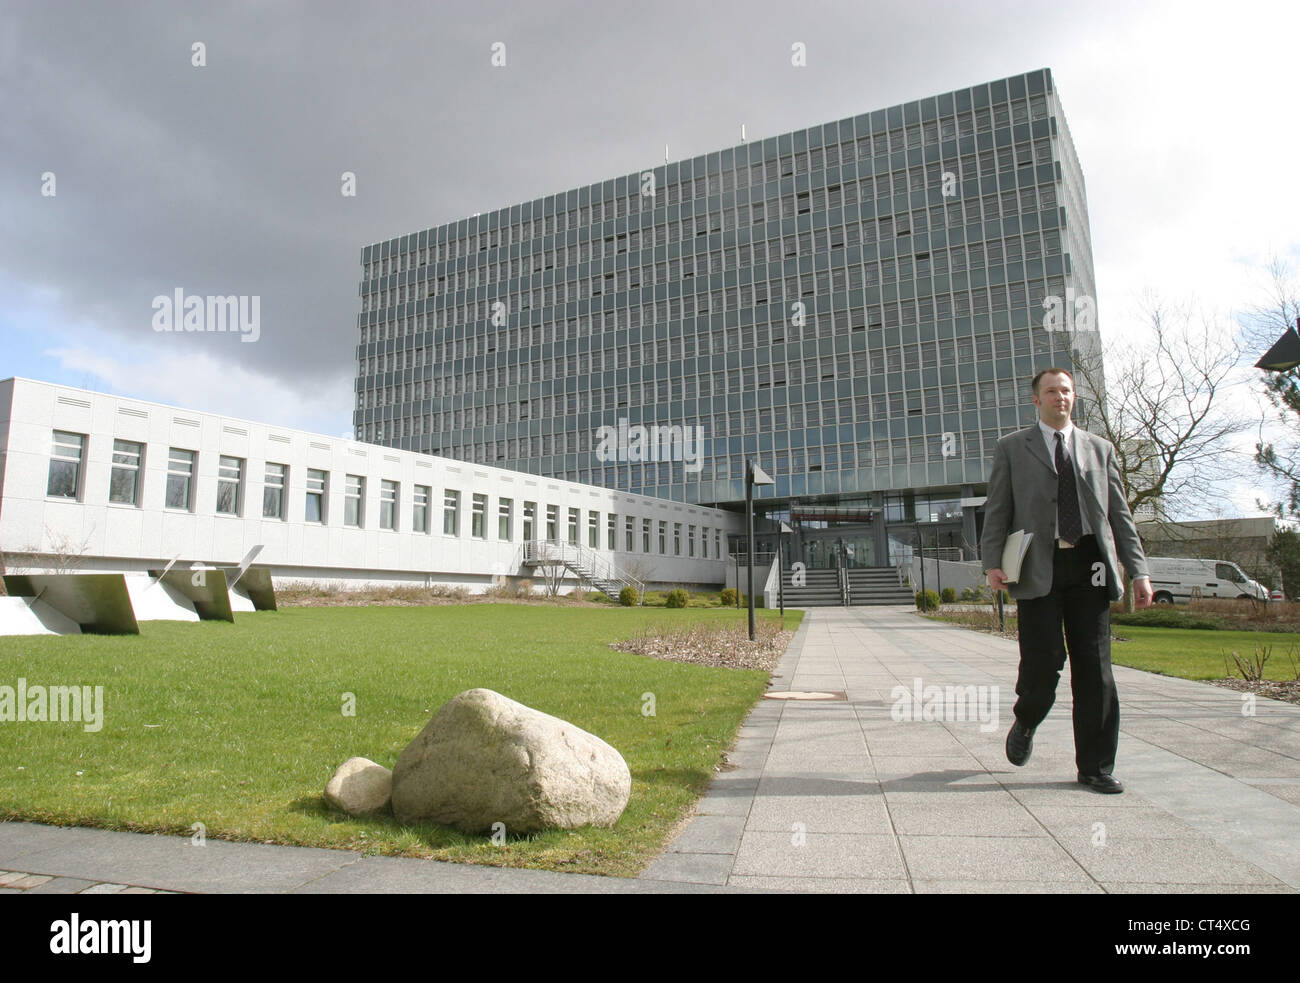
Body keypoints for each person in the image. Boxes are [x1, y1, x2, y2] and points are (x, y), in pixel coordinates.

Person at [981, 368, 1153, 794]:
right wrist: (992, 564)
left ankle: (1095, 767)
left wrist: (1140, 572)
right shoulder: (1012, 448)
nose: (1061, 397)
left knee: (1095, 669)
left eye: (1067, 391)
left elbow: (1120, 516)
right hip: (1038, 566)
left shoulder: (1100, 449)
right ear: (1036, 400)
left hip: (1090, 566)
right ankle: (1027, 717)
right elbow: (998, 509)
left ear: (1074, 398)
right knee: (1042, 665)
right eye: (1052, 391)